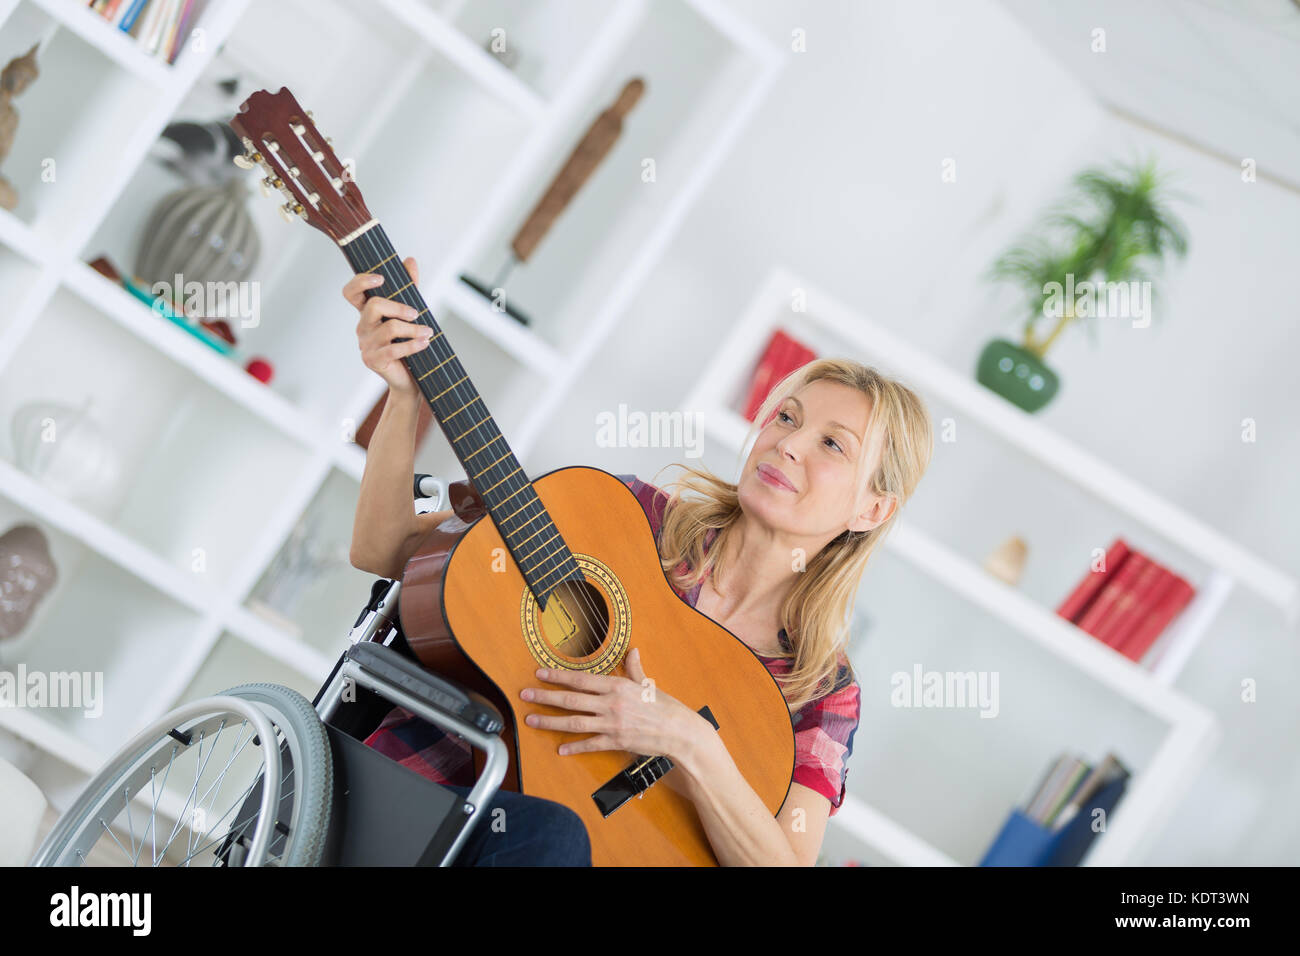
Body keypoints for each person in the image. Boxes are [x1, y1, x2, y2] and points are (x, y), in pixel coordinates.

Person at [341, 259, 934, 866]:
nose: (788, 442)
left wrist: (687, 740)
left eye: (832, 444)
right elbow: (384, 549)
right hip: (424, 798)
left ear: (872, 509)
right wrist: (404, 396)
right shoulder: (623, 517)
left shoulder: (820, 688)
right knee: (554, 836)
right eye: (787, 416)